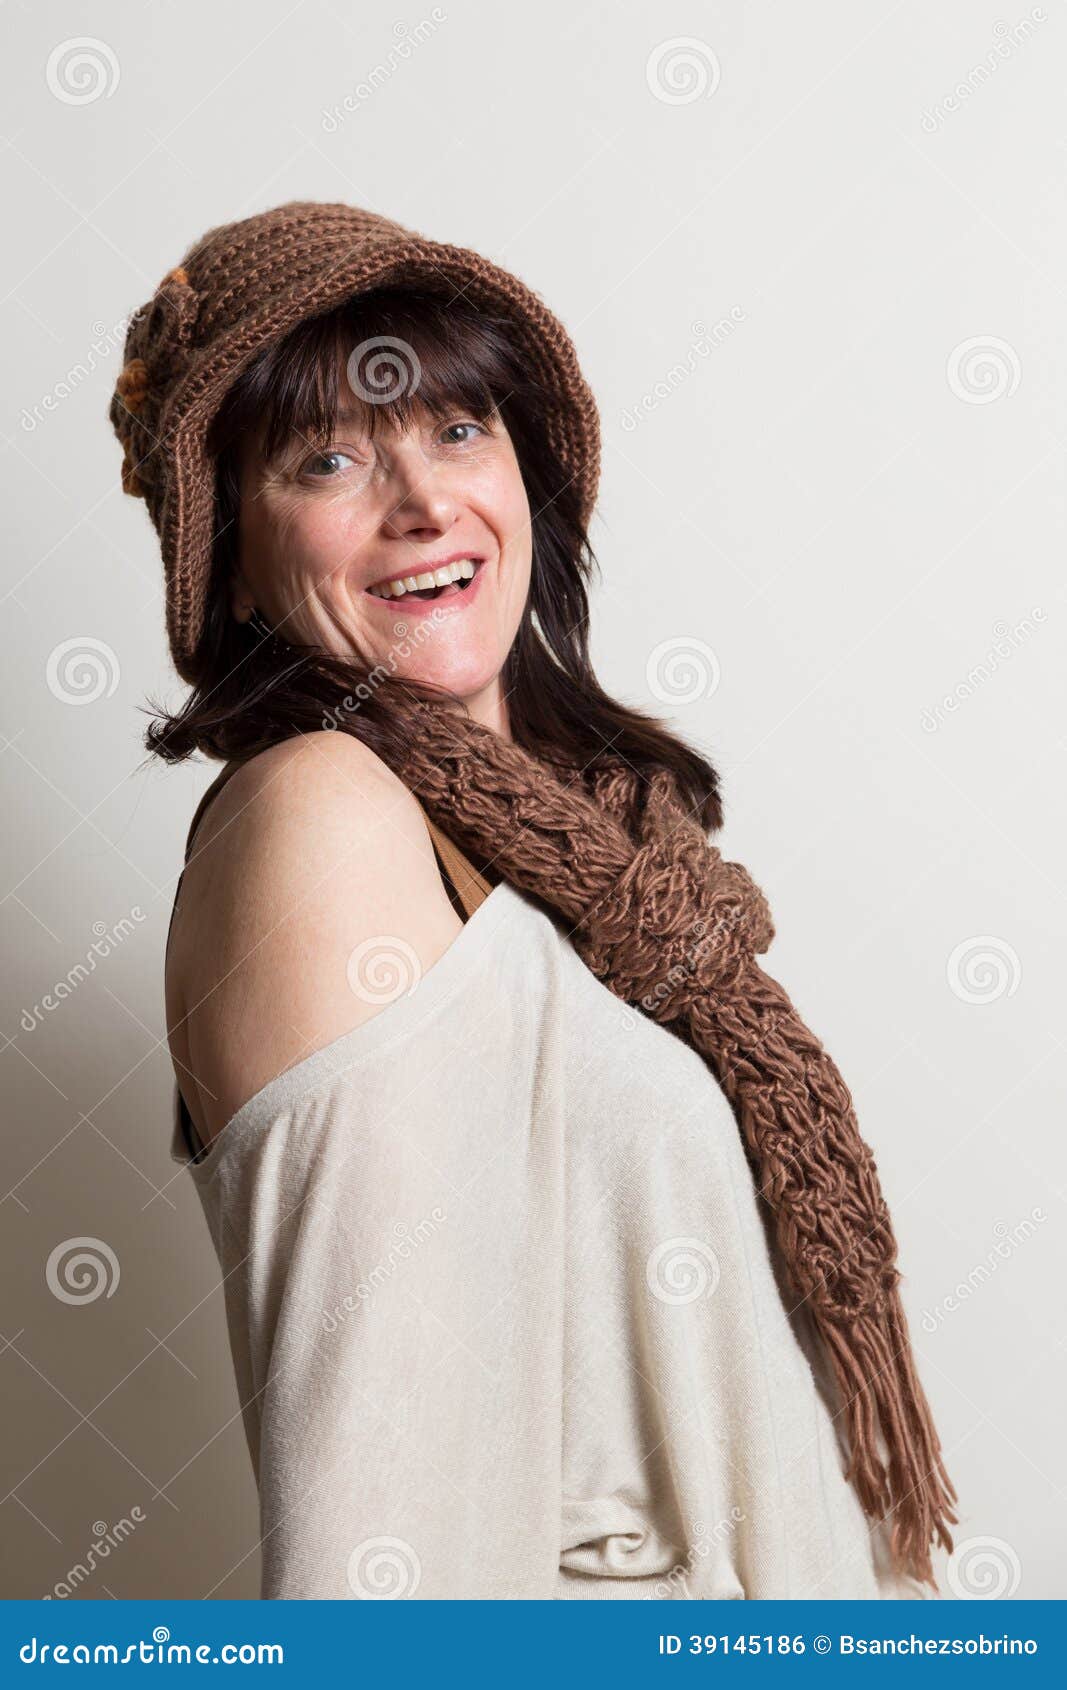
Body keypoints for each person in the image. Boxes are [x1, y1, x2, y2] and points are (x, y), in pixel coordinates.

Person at [109, 200, 957, 1600]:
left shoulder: (613, 867)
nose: (425, 499)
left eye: (457, 427)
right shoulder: (325, 819)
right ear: (236, 563)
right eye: (328, 456)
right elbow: (380, 1542)